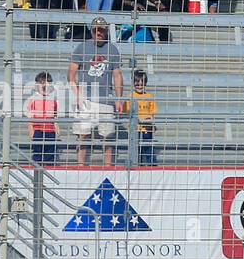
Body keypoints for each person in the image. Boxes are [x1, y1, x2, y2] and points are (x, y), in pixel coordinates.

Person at [68, 17, 123, 166]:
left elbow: (117, 75)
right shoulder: (81, 48)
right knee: (83, 135)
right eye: (96, 30)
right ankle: (80, 166)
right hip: (86, 99)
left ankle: (108, 167)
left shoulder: (112, 49)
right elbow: (71, 73)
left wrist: (118, 98)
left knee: (108, 137)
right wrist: (77, 94)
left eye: (102, 30)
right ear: (92, 30)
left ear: (105, 31)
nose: (99, 33)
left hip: (105, 99)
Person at [25, 70, 58, 164]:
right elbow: (30, 117)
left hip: (50, 130)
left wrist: (56, 128)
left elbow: (55, 116)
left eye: (46, 83)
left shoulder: (53, 99)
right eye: (41, 83)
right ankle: (37, 174)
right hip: (38, 129)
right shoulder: (32, 99)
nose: (43, 86)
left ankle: (49, 172)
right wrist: (31, 131)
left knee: (50, 154)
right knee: (38, 154)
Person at [127, 68, 157, 165]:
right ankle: (137, 167)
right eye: (137, 82)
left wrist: (151, 122)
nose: (139, 85)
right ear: (133, 83)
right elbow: (128, 112)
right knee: (136, 152)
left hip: (147, 129)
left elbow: (152, 113)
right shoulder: (130, 96)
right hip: (135, 130)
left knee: (149, 150)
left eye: (142, 82)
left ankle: (152, 167)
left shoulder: (150, 96)